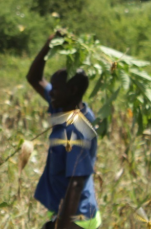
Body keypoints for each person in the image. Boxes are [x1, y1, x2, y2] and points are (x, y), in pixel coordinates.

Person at [26, 31, 101, 229]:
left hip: (77, 219)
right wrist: (50, 43)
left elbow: (76, 183)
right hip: (66, 214)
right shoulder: (64, 107)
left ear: (72, 91)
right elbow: (34, 78)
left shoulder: (78, 129)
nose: (51, 92)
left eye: (56, 88)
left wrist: (62, 226)